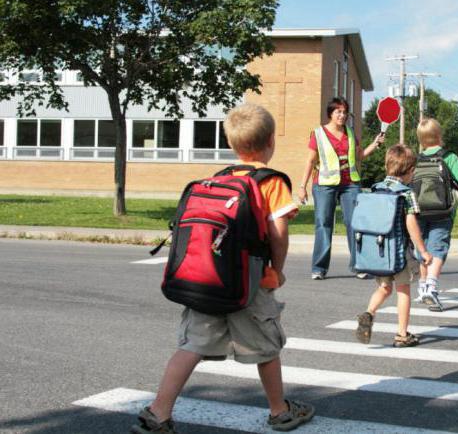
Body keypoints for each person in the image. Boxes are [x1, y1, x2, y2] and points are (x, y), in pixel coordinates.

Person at [131, 104, 315, 434]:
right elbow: (279, 233)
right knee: (265, 348)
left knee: (190, 346)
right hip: (250, 282)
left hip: (208, 280)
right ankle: (279, 410)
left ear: (232, 145)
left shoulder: (219, 180)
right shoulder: (272, 183)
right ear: (271, 141)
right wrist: (278, 269)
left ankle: (158, 412)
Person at [297, 97, 384, 280]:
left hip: (350, 183)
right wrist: (302, 186)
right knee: (323, 224)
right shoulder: (318, 134)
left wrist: (375, 144)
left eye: (345, 112)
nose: (342, 116)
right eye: (339, 112)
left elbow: (359, 156)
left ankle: (359, 266)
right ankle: (319, 269)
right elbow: (310, 161)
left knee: (355, 224)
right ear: (330, 114)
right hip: (324, 185)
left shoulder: (351, 133)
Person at [355, 144, 433, 348]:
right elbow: (411, 224)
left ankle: (369, 312)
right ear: (410, 171)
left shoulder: (375, 189)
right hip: (399, 253)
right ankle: (401, 334)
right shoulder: (406, 194)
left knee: (384, 288)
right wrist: (423, 250)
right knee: (403, 290)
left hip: (379, 251)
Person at [414, 118, 458, 312]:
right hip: (442, 211)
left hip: (418, 211)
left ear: (421, 139)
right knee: (438, 248)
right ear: (439, 135)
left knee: (422, 248)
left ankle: (422, 287)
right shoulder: (449, 157)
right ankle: (431, 285)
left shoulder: (416, 159)